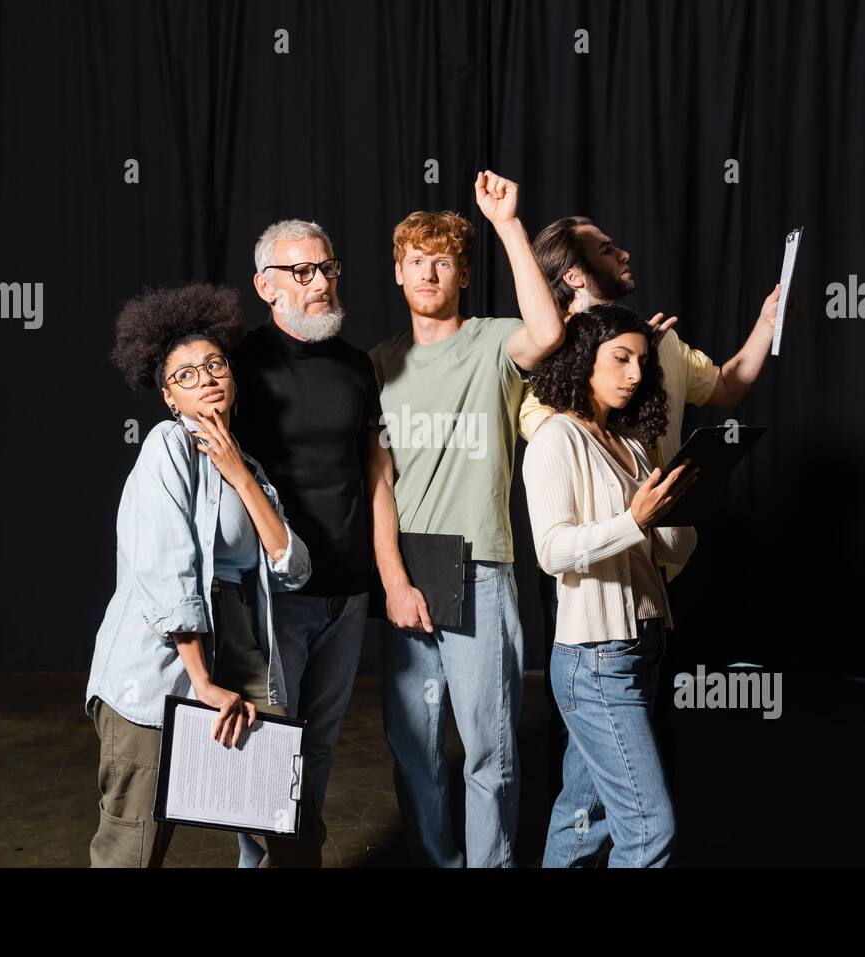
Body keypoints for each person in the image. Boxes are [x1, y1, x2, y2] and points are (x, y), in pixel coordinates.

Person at [525, 216, 783, 809]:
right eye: (606, 249)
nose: (625, 252)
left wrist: (766, 323)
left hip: (653, 575)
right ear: (573, 273)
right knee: (631, 799)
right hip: (591, 587)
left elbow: (725, 386)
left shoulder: (656, 344)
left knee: (595, 785)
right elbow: (561, 454)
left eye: (640, 365)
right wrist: (632, 513)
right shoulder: (550, 360)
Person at [85, 282, 323, 867]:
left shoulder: (252, 468)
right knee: (133, 847)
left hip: (240, 661)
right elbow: (169, 571)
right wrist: (203, 684)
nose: (205, 377)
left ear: (233, 376)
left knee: (290, 830)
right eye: (185, 375)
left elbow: (293, 567)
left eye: (213, 364)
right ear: (168, 397)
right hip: (161, 670)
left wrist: (241, 476)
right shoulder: (167, 446)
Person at [368, 171, 565, 867]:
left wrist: (508, 223)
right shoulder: (379, 366)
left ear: (462, 274)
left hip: (479, 569)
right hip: (407, 574)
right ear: (397, 272)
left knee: (491, 745)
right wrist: (392, 580)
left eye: (443, 260)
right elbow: (378, 485)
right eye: (415, 260)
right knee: (414, 746)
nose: (428, 270)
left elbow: (549, 330)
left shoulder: (493, 342)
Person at [521, 304, 699, 867]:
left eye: (642, 361)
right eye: (620, 358)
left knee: (585, 814)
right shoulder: (556, 438)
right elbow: (552, 551)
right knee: (649, 829)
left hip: (645, 644)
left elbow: (671, 554)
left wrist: (677, 508)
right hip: (594, 660)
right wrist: (635, 520)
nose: (635, 374)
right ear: (584, 359)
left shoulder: (634, 443)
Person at [230, 220, 381, 868]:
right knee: (268, 746)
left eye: (328, 267)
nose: (321, 281)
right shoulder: (238, 367)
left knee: (316, 746)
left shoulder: (354, 365)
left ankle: (292, 862)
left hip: (345, 592)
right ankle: (259, 862)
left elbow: (374, 470)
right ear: (266, 285)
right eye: (302, 272)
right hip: (274, 595)